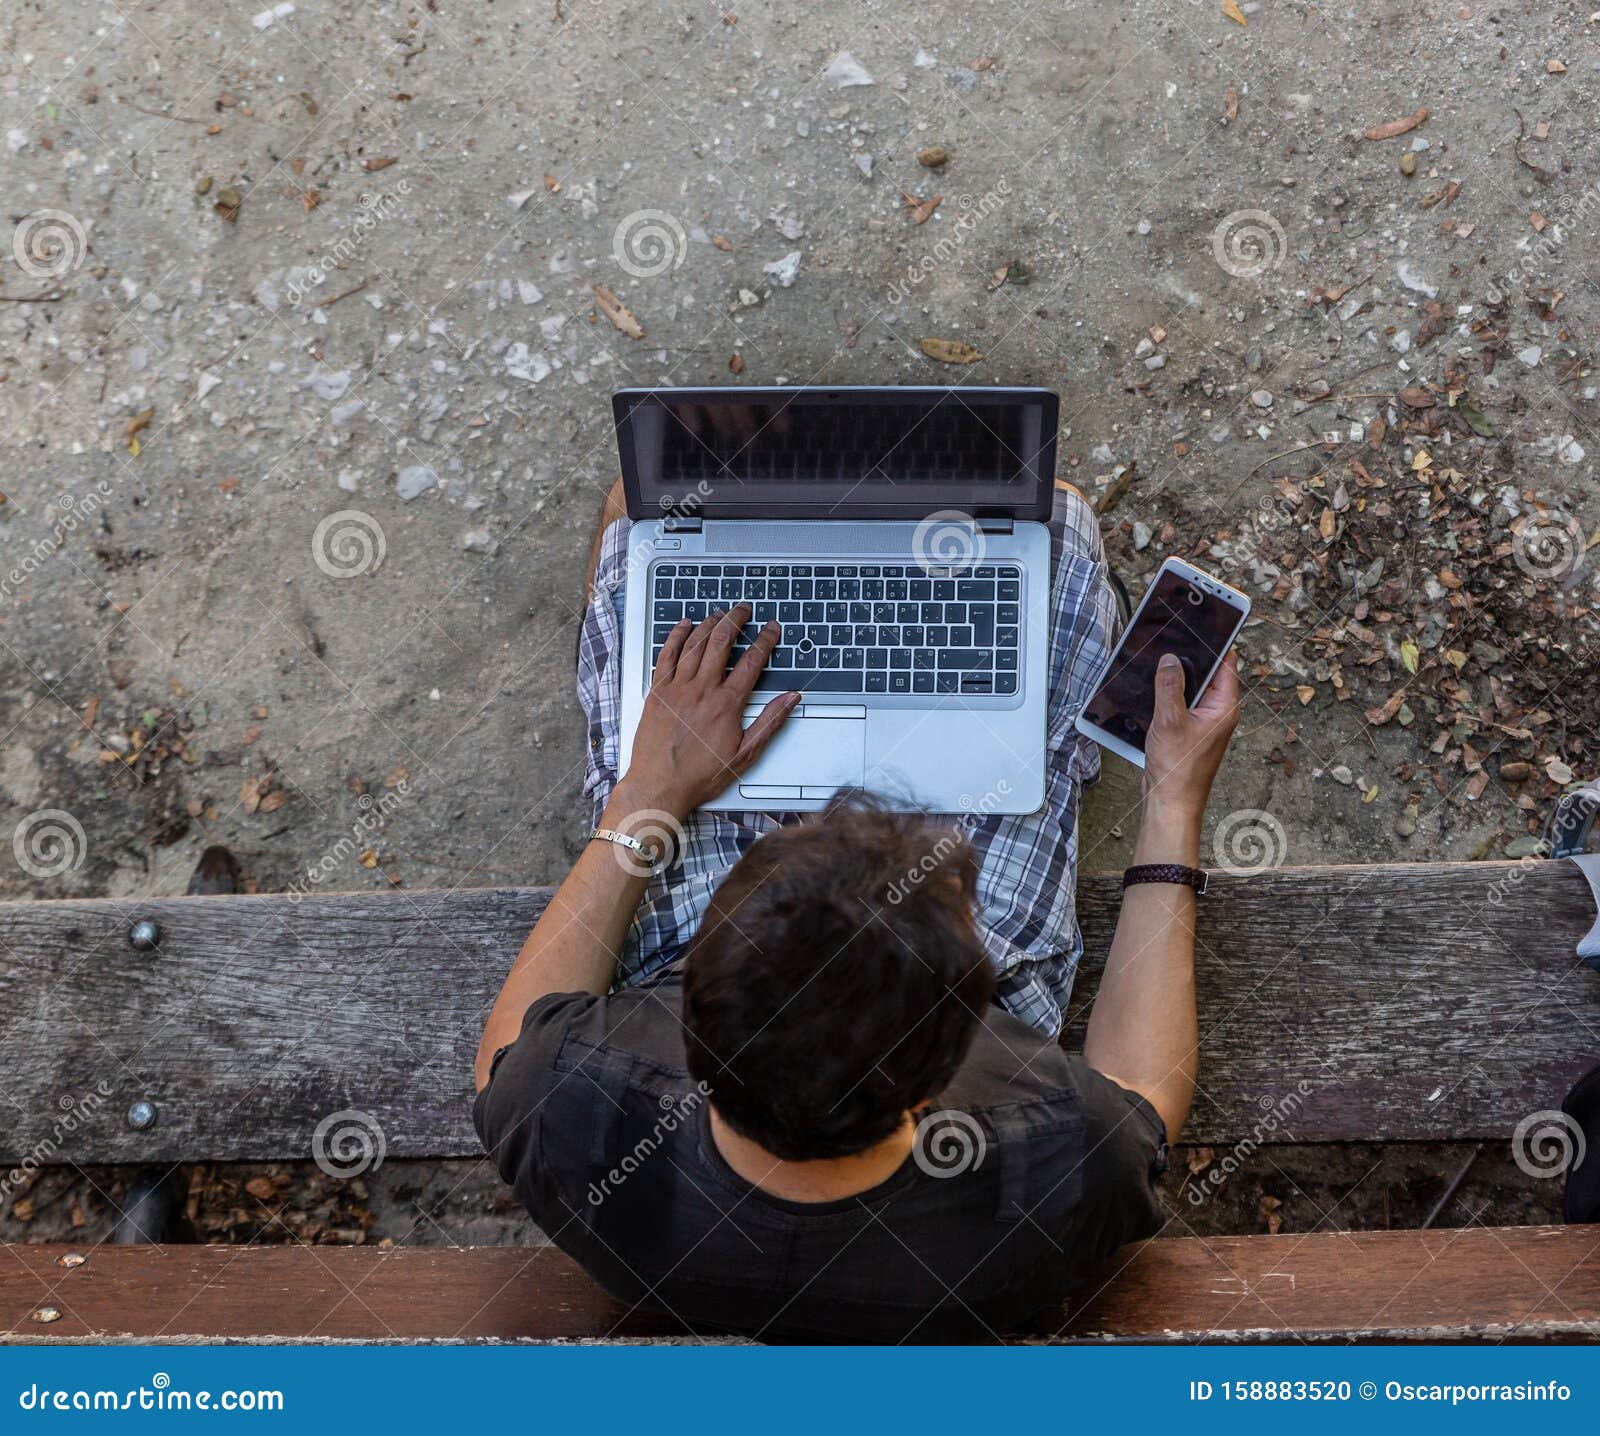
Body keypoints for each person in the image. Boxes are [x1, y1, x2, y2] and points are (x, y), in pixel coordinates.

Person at [473, 478, 1240, 1342]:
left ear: (685, 1021)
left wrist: (649, 796)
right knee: (1054, 522)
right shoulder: (1050, 1157)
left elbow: (503, 1057)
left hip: (769, 985)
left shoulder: (576, 1106)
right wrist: (1173, 800)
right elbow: (1143, 1094)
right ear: (948, 1071)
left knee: (633, 515)